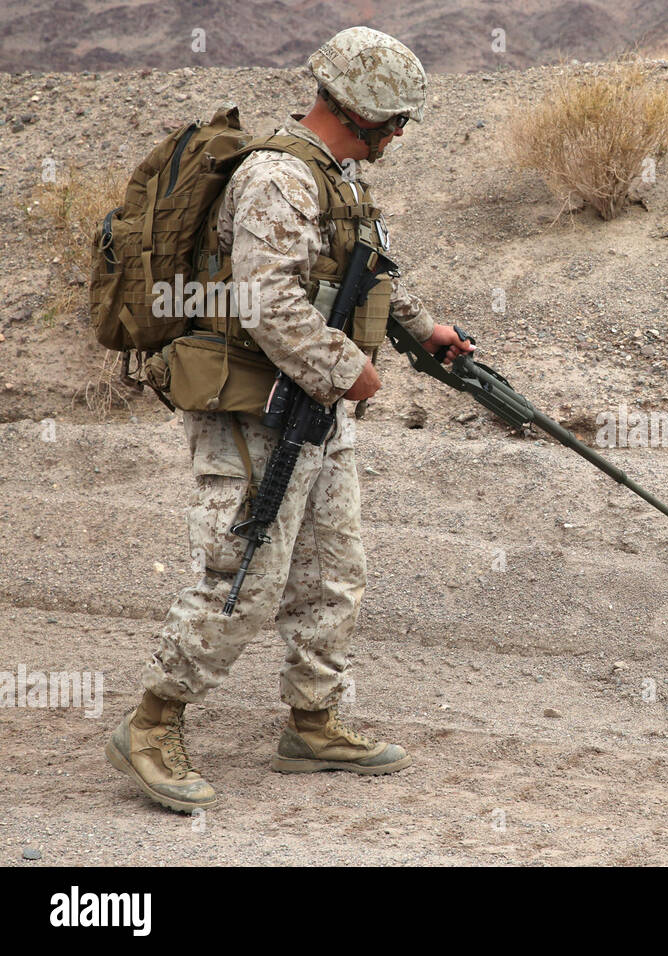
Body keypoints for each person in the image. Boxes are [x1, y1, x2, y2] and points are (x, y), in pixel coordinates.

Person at [105, 26, 472, 813]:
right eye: (398, 120)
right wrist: (352, 372)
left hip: (315, 407)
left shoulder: (335, 177)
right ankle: (151, 724)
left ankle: (313, 722)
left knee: (333, 570)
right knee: (243, 577)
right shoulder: (278, 176)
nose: (401, 135)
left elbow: (359, 271)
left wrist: (421, 329)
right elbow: (267, 303)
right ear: (366, 114)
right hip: (252, 407)